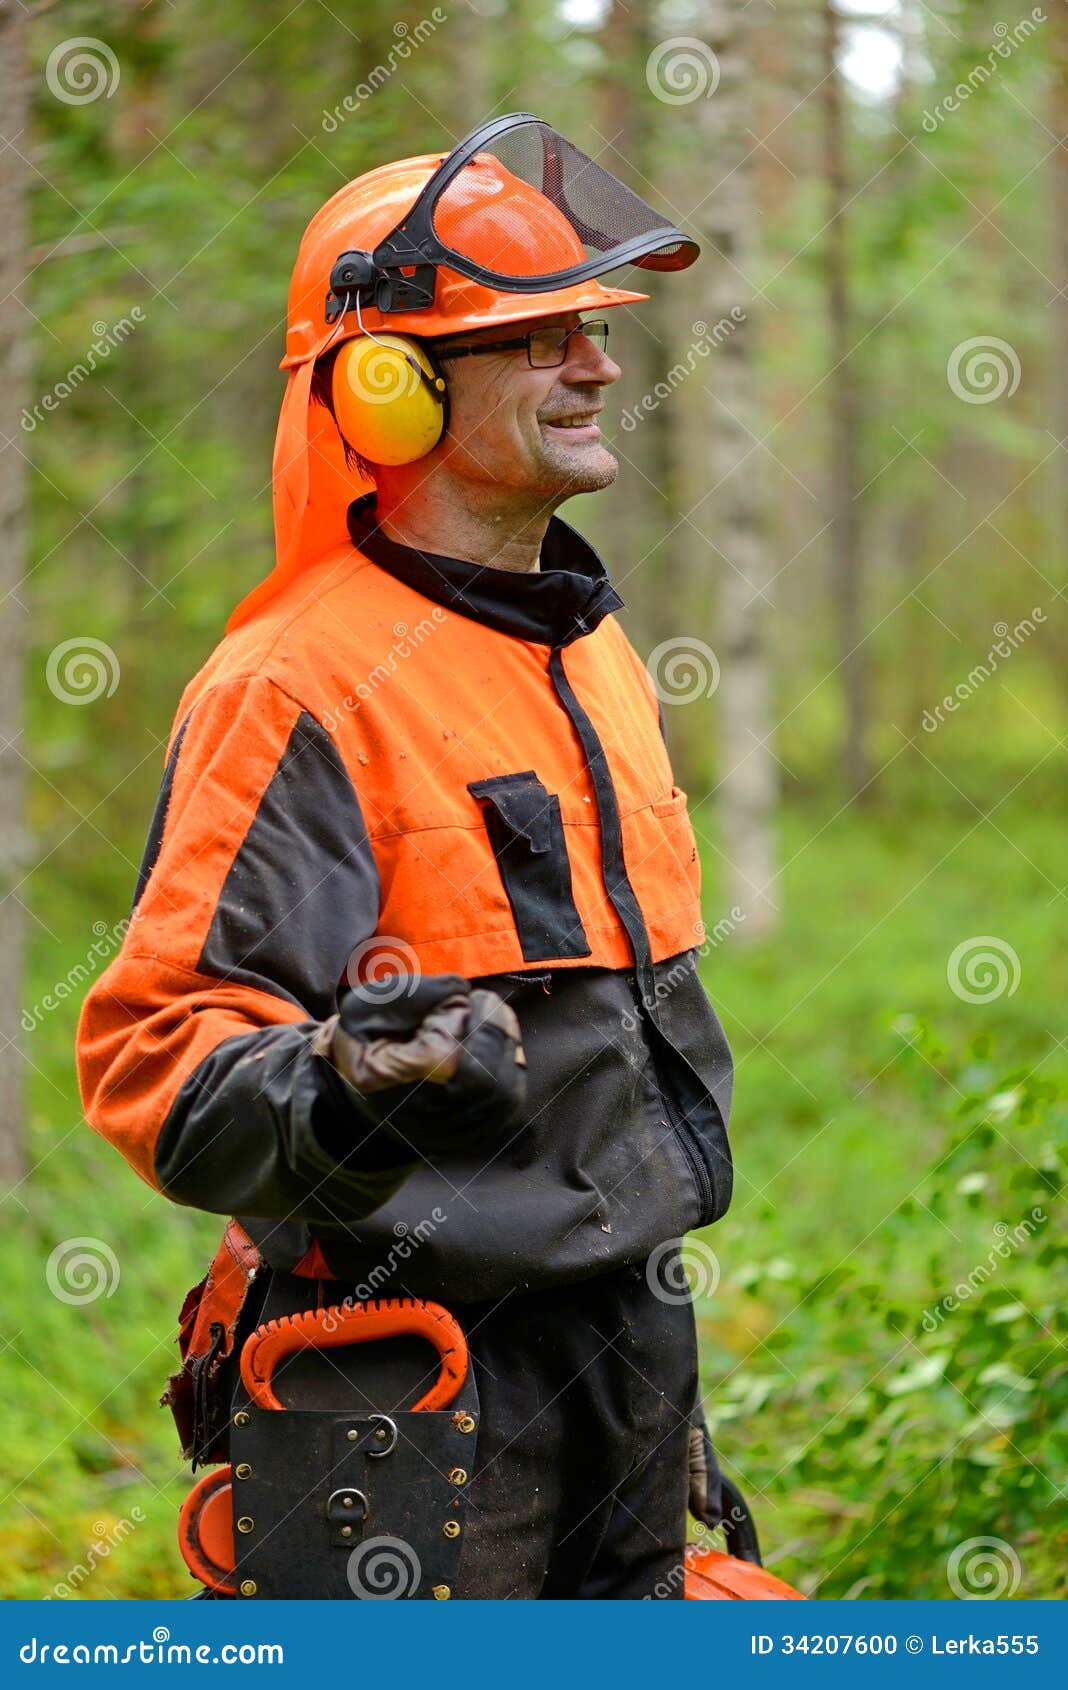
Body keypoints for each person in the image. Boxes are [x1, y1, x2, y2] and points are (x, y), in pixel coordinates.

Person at [75, 115, 734, 1600]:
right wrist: (344, 1084)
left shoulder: (592, 646)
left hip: (623, 1349)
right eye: (541, 335)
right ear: (387, 384)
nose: (601, 363)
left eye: (596, 327)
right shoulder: (294, 687)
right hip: (411, 1381)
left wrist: (655, 1392)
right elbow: (153, 1059)